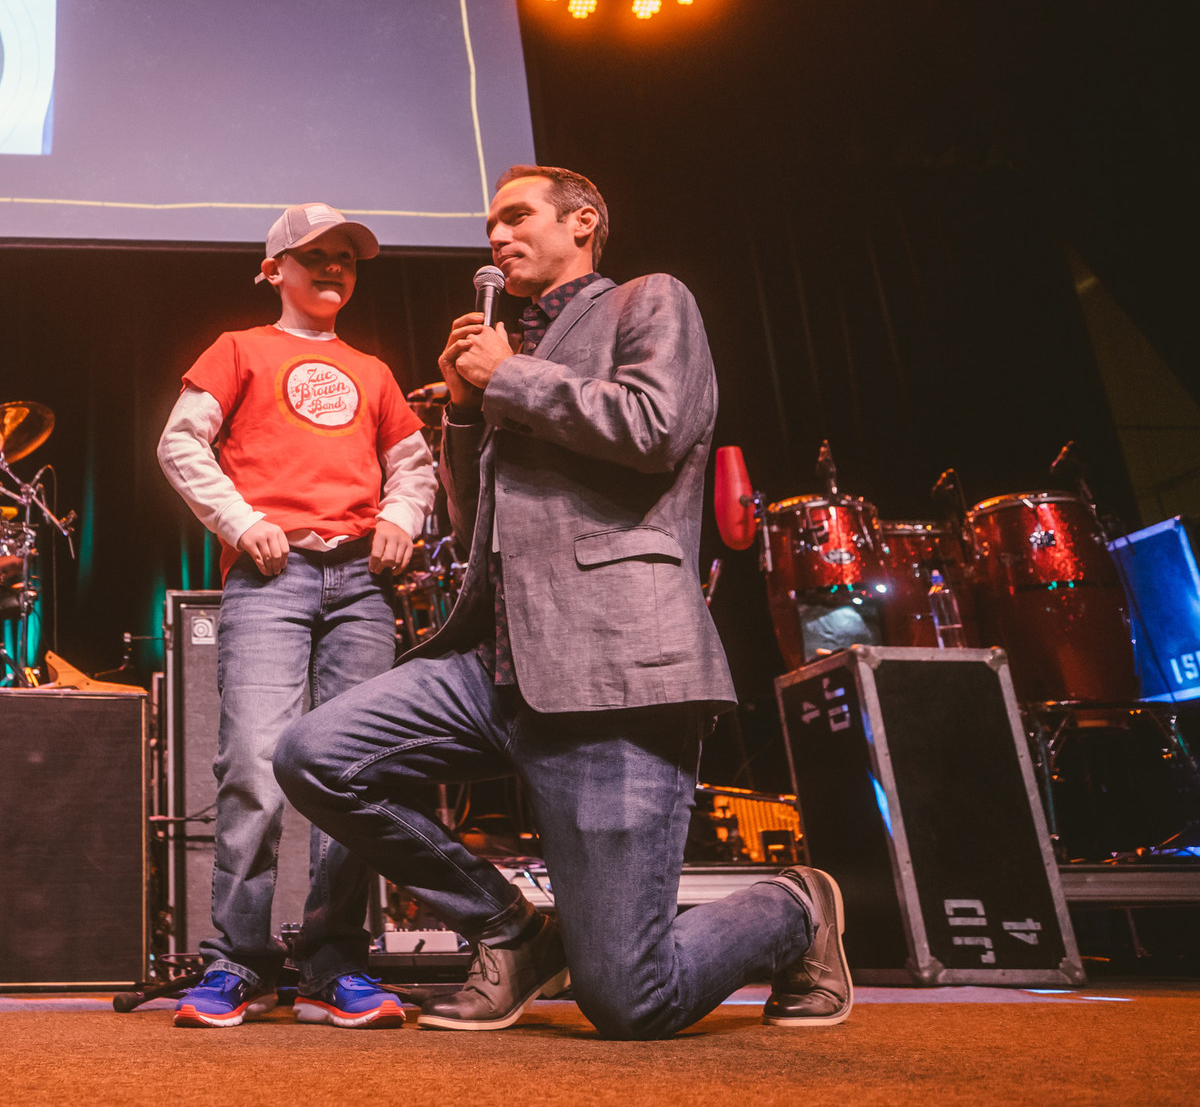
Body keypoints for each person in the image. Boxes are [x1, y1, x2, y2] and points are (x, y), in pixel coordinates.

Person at [271, 166, 855, 1038]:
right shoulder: (513, 352)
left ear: (583, 222)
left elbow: (653, 427)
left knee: (630, 1002)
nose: (496, 239)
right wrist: (467, 414)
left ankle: (791, 908)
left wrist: (507, 380)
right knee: (316, 754)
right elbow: (476, 529)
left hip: (614, 670)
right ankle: (514, 930)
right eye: (490, 227)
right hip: (495, 667)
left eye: (515, 218)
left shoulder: (650, 301)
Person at [155, 204, 438, 1030]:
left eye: (346, 257)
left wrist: (404, 520)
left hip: (361, 584)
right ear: (272, 269)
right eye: (313, 255)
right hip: (270, 579)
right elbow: (180, 444)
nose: (333, 267)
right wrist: (243, 523)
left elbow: (412, 469)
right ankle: (237, 960)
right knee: (252, 762)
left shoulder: (375, 372)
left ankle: (332, 963)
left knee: (356, 774)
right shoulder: (241, 349)